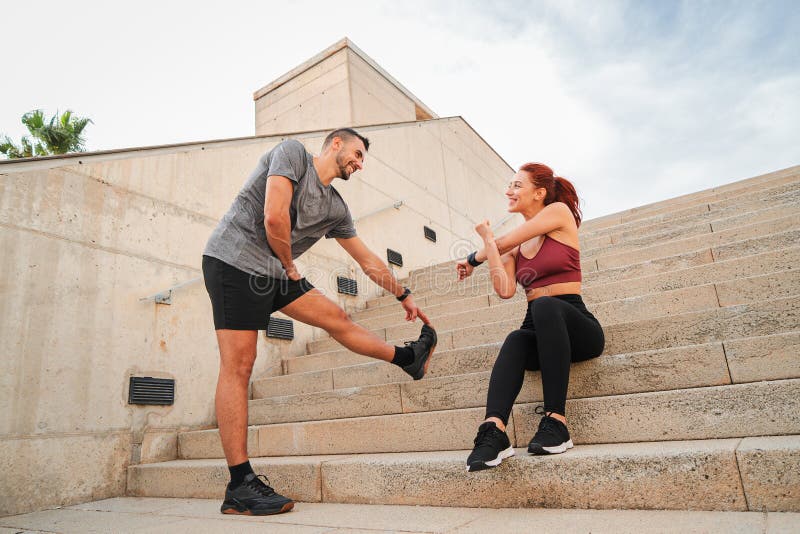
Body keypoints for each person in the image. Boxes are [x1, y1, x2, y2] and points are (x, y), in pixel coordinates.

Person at [202, 128, 437, 514]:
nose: (359, 163)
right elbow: (274, 218)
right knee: (239, 364)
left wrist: (404, 294)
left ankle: (407, 358)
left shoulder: (336, 208)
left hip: (276, 271)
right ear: (336, 144)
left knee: (337, 317)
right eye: (357, 153)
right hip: (234, 261)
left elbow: (366, 259)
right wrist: (291, 267)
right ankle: (240, 484)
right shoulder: (292, 154)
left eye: (363, 160)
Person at [456, 163, 604, 472]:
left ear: (539, 193)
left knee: (545, 306)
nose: (508, 190)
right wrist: (489, 249)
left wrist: (474, 258)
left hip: (576, 325)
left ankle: (556, 422)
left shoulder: (558, 213)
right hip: (540, 329)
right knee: (516, 338)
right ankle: (493, 431)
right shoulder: (514, 247)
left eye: (516, 185)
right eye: (509, 185)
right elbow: (505, 289)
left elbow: (503, 242)